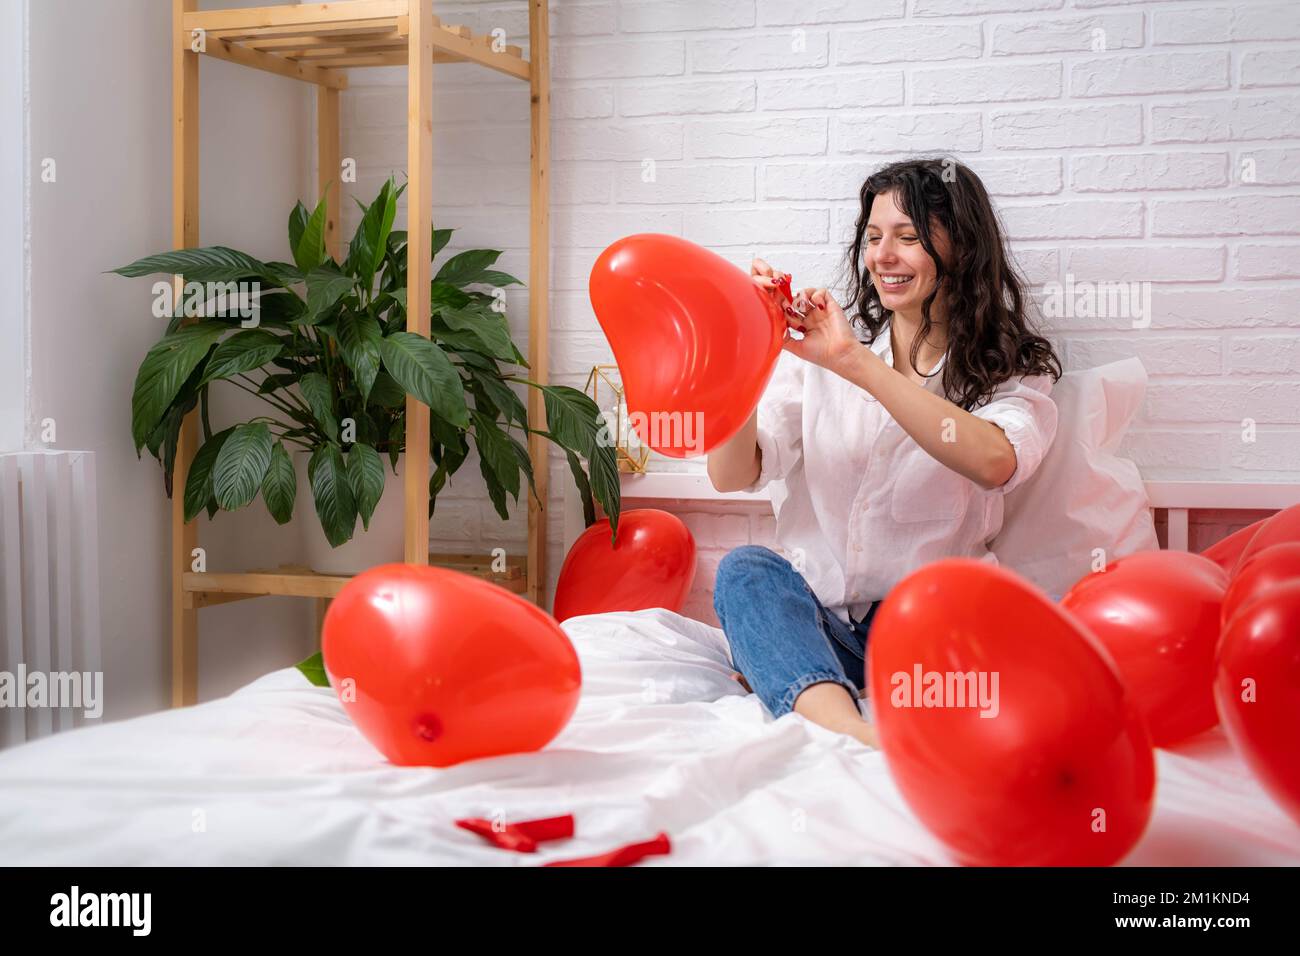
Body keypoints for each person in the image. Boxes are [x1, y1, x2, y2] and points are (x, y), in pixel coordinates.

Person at [706, 158, 1063, 750]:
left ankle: (797, 682)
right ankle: (849, 728)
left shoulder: (1007, 372)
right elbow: (731, 474)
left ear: (963, 249)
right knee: (747, 573)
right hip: (826, 624)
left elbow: (995, 461)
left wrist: (856, 364)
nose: (883, 256)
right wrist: (747, 353)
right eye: (873, 238)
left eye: (909, 237)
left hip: (930, 630)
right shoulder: (822, 362)